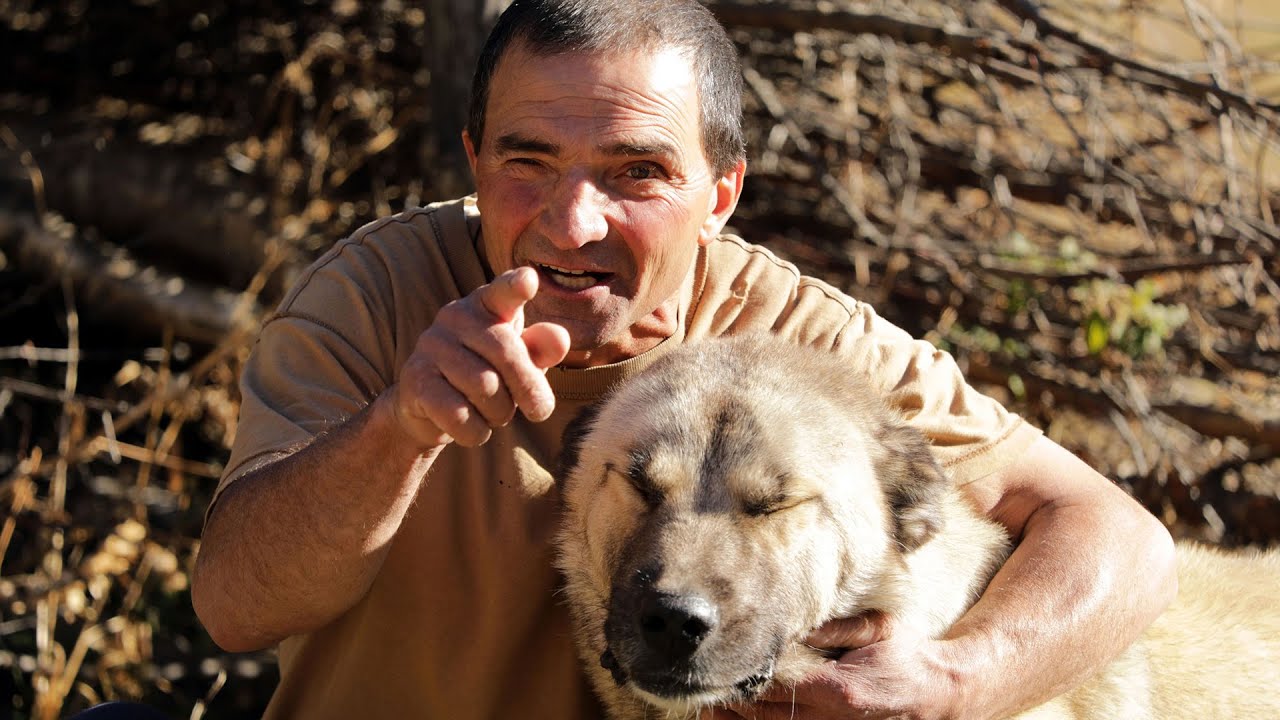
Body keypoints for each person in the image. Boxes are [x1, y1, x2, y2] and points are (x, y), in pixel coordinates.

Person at [191, 1, 1178, 718]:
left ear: (720, 195)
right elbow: (235, 609)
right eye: (528, 161)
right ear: (474, 160)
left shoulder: (801, 347)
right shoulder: (374, 299)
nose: (573, 223)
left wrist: (951, 685)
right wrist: (398, 430)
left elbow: (1122, 542)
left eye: (637, 172)